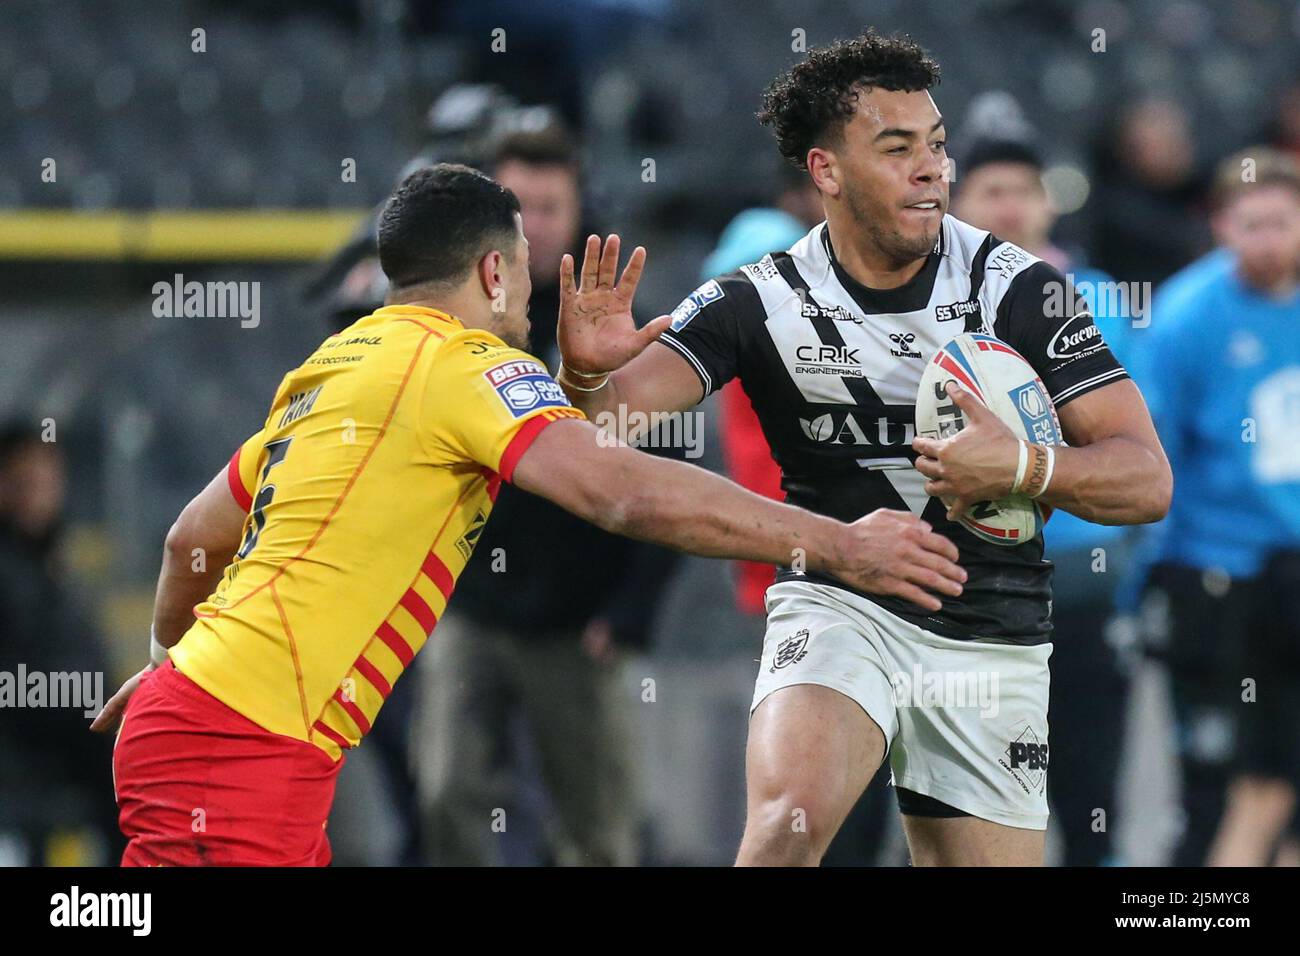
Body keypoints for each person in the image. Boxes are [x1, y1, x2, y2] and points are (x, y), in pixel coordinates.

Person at [92, 162, 965, 866]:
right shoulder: (467, 363)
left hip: (211, 719)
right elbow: (619, 489)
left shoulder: (335, 366)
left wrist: (180, 668)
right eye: (518, 275)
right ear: (493, 270)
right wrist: (834, 542)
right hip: (246, 743)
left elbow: (190, 540)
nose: (522, 300)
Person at [553, 30, 1171, 866]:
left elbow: (1147, 480)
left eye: (938, 146)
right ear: (826, 172)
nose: (932, 170)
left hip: (989, 626)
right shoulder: (756, 299)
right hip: (839, 601)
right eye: (898, 148)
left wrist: (1024, 466)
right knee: (784, 830)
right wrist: (586, 375)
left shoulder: (1020, 288)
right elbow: (605, 429)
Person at [410, 128, 678, 866]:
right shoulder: (458, 318)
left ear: (578, 206)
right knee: (442, 789)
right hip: (470, 608)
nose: (532, 222)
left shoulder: (613, 319)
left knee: (597, 828)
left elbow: (668, 473)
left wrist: (628, 613)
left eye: (548, 204)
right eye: (516, 205)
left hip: (577, 621)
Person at [952, 136, 1137, 865]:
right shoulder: (932, 302)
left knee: (1092, 787)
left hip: (1079, 572)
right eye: (992, 189)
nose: (1010, 205)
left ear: (1049, 201)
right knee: (974, 790)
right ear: (960, 205)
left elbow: (1141, 444)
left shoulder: (1101, 299)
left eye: (1024, 188)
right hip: (968, 575)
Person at [1134, 147, 1300, 866]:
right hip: (1217, 570)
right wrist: (1148, 576)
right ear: (1220, 227)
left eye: (1282, 222)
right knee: (1222, 785)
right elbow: (1150, 450)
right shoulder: (1186, 317)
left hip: (1294, 568)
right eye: (1249, 223)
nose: (1266, 240)